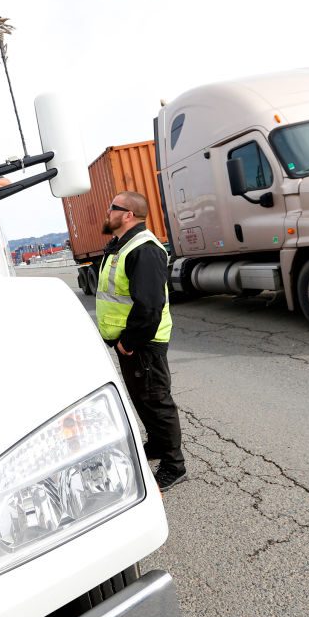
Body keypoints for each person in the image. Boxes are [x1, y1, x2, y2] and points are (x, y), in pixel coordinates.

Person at [97, 191, 186, 492]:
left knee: (156, 401)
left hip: (143, 343)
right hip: (130, 342)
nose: (107, 212)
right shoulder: (120, 246)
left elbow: (149, 304)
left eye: (112, 207)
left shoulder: (143, 248)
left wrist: (129, 342)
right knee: (143, 400)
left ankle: (174, 466)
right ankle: (159, 446)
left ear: (128, 215)